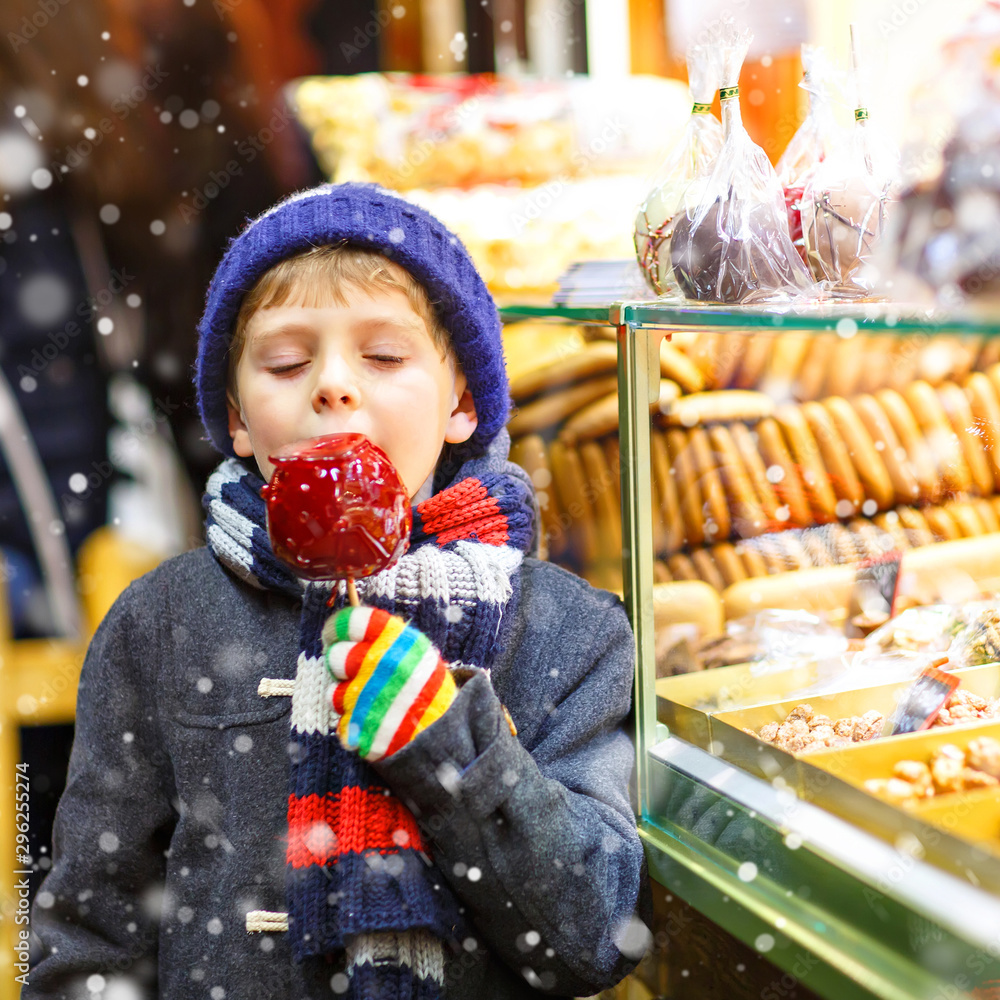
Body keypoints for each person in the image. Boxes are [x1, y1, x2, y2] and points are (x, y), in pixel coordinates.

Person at [24, 182, 648, 999]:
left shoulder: (568, 632)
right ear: (239, 419)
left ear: (461, 401)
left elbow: (592, 940)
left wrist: (447, 744)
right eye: (285, 361)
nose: (333, 386)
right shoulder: (160, 624)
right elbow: (86, 925)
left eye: (384, 356)